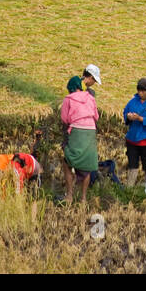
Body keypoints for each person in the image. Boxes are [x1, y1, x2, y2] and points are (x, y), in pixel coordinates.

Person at [60, 76, 99, 204]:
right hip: (91, 130)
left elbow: (65, 119)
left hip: (77, 130)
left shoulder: (68, 99)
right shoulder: (90, 97)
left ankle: (70, 195)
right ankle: (83, 198)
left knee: (67, 162)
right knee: (87, 165)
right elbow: (96, 116)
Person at [121, 78, 146, 187]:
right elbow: (125, 111)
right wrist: (128, 116)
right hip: (132, 138)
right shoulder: (133, 101)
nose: (140, 93)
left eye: (143, 91)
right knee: (132, 164)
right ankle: (129, 188)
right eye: (139, 90)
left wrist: (140, 119)